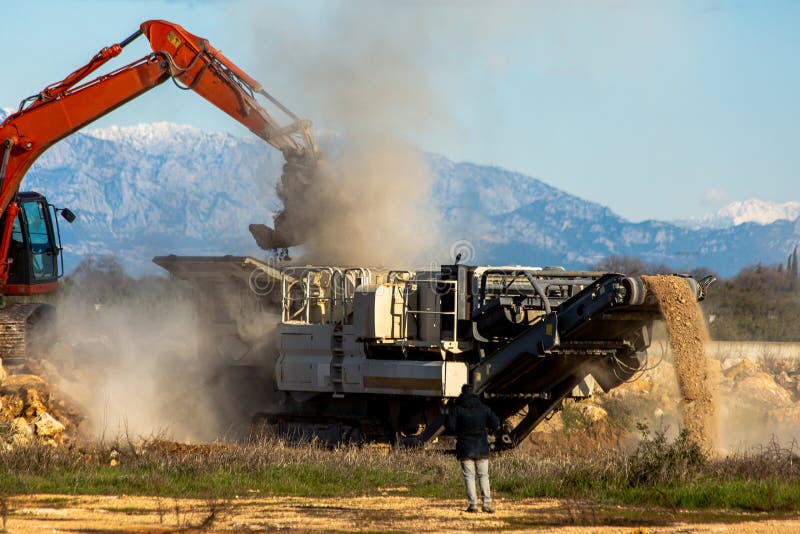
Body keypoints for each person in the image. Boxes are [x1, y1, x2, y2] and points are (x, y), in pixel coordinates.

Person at [446, 383, 501, 513]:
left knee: (469, 477)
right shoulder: (484, 408)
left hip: (465, 447)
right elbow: (496, 422)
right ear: (474, 393)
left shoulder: (457, 409)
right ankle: (487, 504)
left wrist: (458, 432)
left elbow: (449, 426)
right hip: (482, 446)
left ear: (462, 393)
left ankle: (473, 505)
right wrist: (489, 431)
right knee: (483, 476)